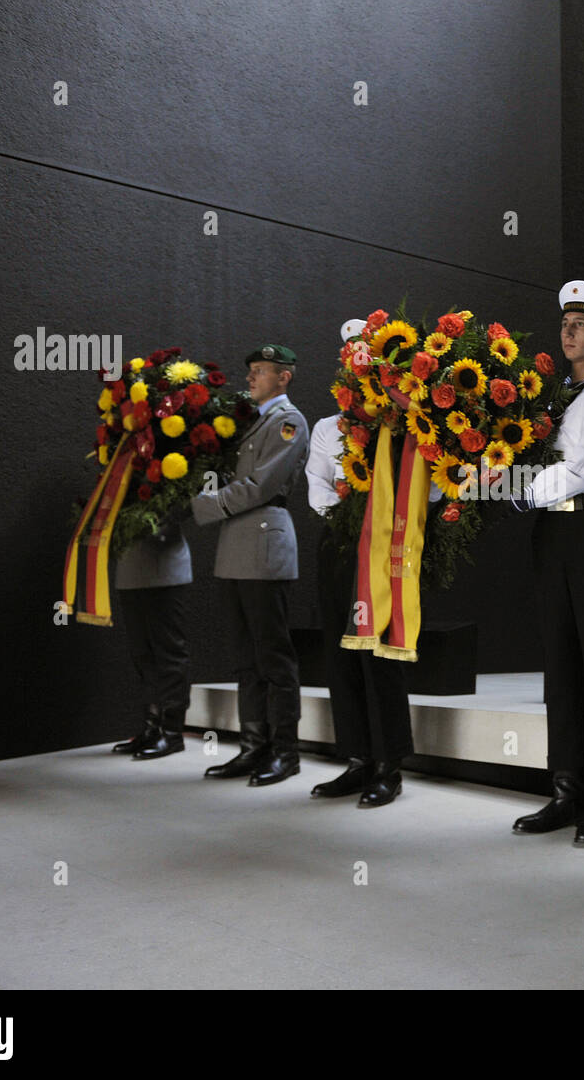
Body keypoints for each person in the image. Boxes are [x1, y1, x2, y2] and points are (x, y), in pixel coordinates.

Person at [510, 281, 584, 846]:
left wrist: (508, 488)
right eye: (564, 323)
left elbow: (582, 468)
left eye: (581, 323)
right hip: (552, 530)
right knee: (558, 660)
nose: (568, 331)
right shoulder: (552, 393)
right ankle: (565, 787)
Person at [305, 319, 415, 807]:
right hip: (339, 542)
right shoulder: (328, 426)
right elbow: (317, 486)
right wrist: (351, 516)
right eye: (349, 358)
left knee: (380, 655)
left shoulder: (396, 420)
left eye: (364, 356)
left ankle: (389, 765)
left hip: (386, 546)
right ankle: (356, 758)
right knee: (340, 651)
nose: (357, 366)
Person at [192, 344, 310, 787]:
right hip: (237, 545)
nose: (252, 376)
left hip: (263, 540)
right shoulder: (252, 420)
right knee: (245, 658)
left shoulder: (288, 422)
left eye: (261, 371)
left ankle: (285, 751)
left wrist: (205, 505)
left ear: (285, 377)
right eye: (252, 370)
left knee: (273, 656)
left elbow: (261, 486)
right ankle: (253, 746)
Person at [109, 528, 192, 760]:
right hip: (130, 569)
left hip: (165, 566)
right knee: (142, 653)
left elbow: (184, 507)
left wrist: (150, 521)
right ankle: (151, 726)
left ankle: (172, 731)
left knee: (170, 652)